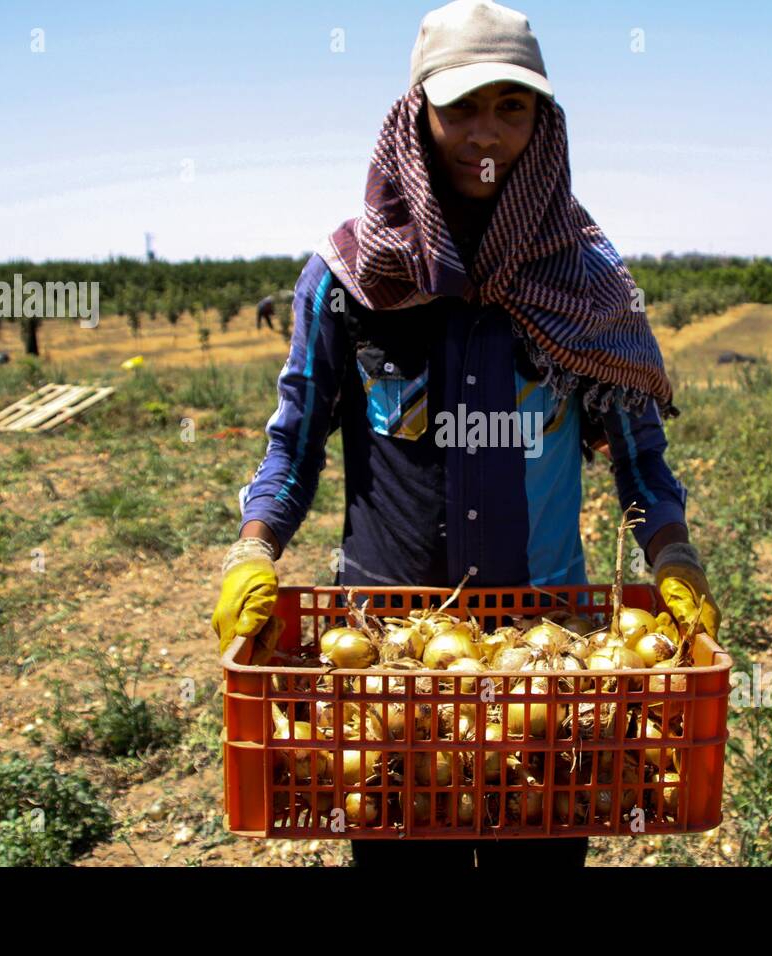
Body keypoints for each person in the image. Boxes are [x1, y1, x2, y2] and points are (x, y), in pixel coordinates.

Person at [211, 0, 720, 868]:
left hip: (547, 651)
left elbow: (639, 454)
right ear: (418, 116)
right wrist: (253, 551)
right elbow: (295, 441)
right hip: (391, 658)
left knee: (541, 855)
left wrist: (672, 555)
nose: (486, 133)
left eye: (511, 107)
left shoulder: (587, 284)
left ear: (543, 122)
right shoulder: (348, 280)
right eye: (462, 108)